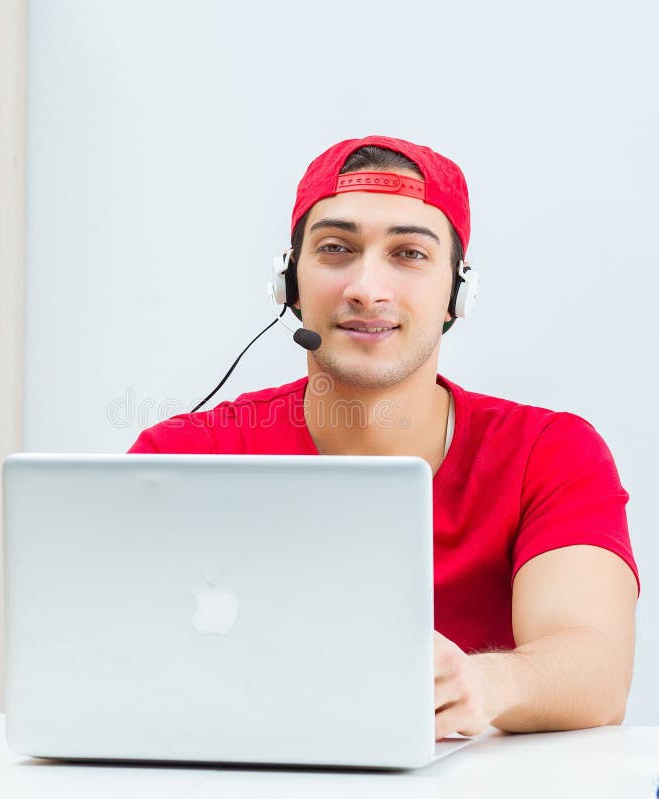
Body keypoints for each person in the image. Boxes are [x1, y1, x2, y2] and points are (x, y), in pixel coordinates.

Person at [128, 135, 640, 740]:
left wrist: (487, 686)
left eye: (409, 254)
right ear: (287, 285)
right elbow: (109, 654)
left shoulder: (549, 453)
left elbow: (596, 667)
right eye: (336, 249)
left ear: (459, 293)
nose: (367, 289)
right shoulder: (183, 456)